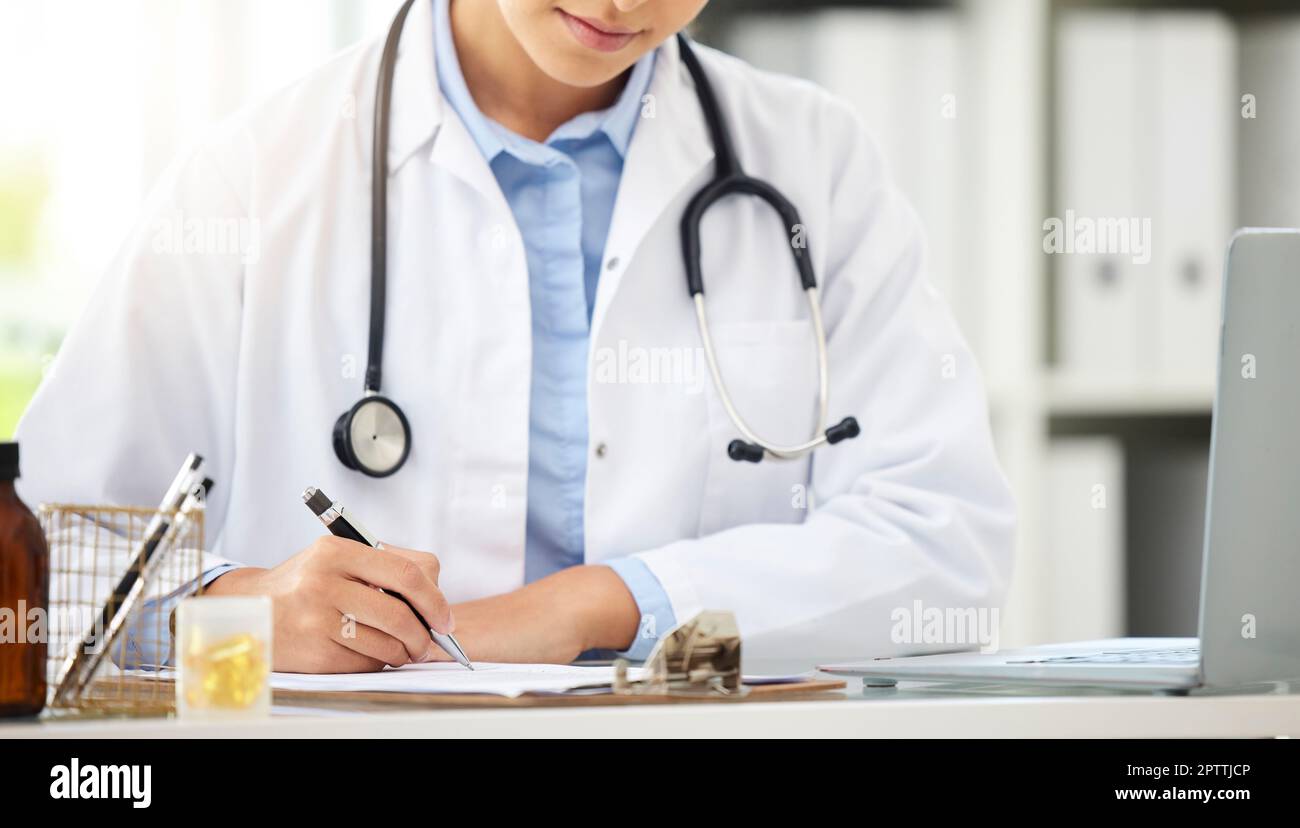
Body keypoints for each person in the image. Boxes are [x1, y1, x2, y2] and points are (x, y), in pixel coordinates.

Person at [17, 0, 1015, 673]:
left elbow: (945, 548)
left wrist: (605, 602)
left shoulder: (813, 162)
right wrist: (243, 620)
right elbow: (49, 580)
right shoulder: (254, 175)